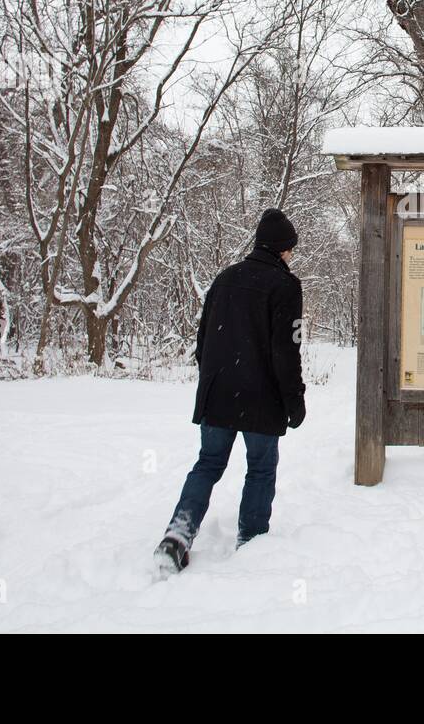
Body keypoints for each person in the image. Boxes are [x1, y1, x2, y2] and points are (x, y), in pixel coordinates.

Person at [153, 208, 306, 574]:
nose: (291, 256)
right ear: (283, 249)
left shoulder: (224, 280)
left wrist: (215, 380)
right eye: (291, 249)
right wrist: (294, 399)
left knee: (207, 464)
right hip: (262, 399)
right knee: (260, 469)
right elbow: (287, 350)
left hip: (219, 394)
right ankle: (251, 541)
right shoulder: (286, 286)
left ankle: (177, 535)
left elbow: (203, 342)